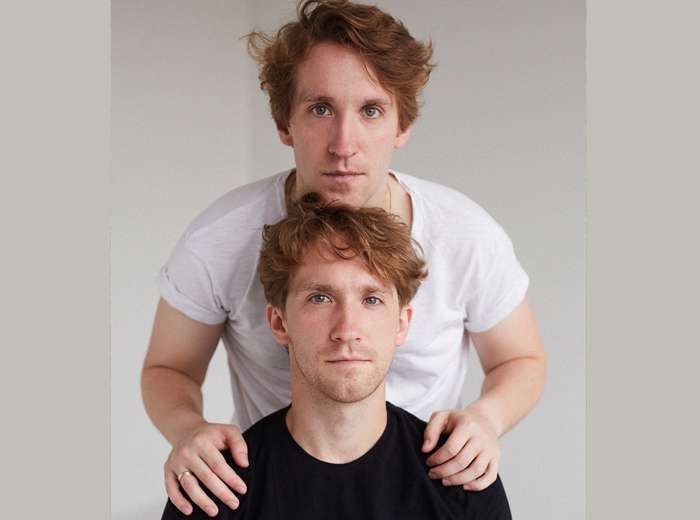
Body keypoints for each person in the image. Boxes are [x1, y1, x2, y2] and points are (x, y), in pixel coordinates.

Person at [142, 0, 546, 517]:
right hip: (272, 490)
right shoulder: (219, 240)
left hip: (425, 490)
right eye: (320, 109)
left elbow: (520, 359)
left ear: (402, 124)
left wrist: (487, 419)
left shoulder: (466, 237)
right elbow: (168, 367)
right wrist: (188, 431)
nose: (343, 144)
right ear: (284, 122)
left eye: (371, 110)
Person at [161, 194, 512, 519]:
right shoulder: (215, 487)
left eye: (371, 299)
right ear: (279, 322)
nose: (347, 329)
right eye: (320, 298)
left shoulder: (462, 479)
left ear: (402, 324)